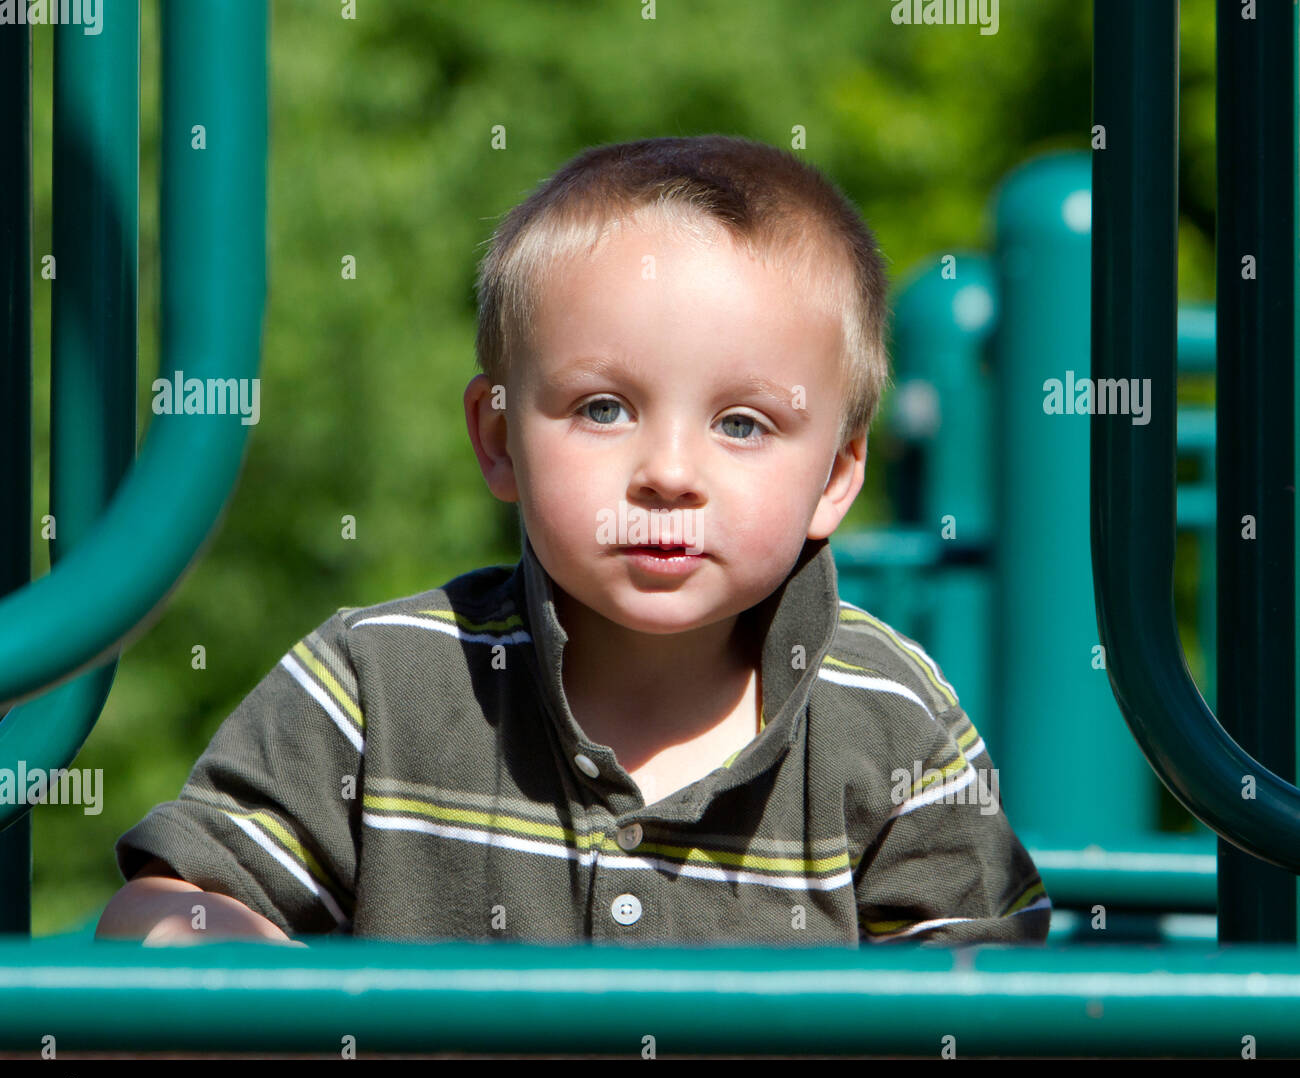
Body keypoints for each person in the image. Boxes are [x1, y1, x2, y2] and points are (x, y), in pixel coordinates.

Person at [96, 135, 1051, 948]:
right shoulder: (375, 688)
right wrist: (215, 955)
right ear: (499, 436)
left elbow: (992, 1003)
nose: (669, 472)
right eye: (604, 408)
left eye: (744, 424)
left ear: (836, 477)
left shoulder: (891, 722)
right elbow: (171, 910)